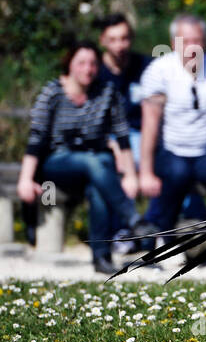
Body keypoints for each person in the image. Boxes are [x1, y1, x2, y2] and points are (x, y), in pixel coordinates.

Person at [15, 41, 149, 274]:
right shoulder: (53, 93)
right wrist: (25, 179)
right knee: (97, 162)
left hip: (95, 165)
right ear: (70, 65)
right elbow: (36, 140)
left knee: (98, 180)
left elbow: (122, 137)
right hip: (56, 164)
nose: (87, 69)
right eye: (81, 63)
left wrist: (130, 176)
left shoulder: (107, 92)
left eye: (92, 64)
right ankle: (132, 219)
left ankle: (101, 258)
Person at [137, 14, 206, 261]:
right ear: (173, 43)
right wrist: (145, 172)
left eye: (197, 41)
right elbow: (150, 125)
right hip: (171, 150)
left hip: (205, 152)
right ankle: (165, 237)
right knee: (178, 173)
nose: (191, 47)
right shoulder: (159, 70)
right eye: (184, 41)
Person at [94, 13, 152, 163]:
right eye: (112, 40)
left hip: (140, 134)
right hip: (105, 137)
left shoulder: (148, 67)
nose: (119, 46)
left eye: (124, 39)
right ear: (102, 41)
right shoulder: (93, 71)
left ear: (131, 38)